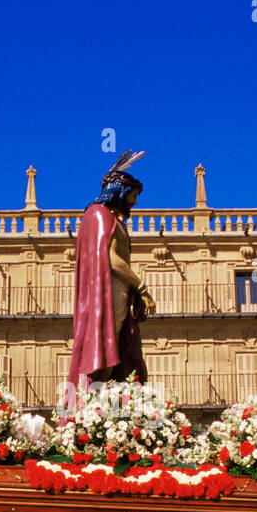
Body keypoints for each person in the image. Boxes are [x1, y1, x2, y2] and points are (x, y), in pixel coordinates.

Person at [64, 150, 155, 398]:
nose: (135, 202)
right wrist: (142, 288)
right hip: (107, 295)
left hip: (118, 295)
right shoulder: (98, 215)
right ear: (120, 192)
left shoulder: (112, 219)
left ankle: (110, 401)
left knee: (118, 348)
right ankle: (91, 401)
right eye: (133, 196)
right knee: (104, 347)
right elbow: (110, 258)